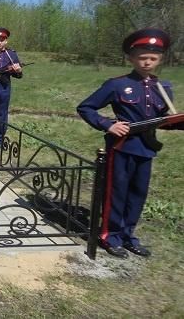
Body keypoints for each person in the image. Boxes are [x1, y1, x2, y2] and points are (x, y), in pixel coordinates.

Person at [77, 28, 182, 259]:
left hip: (147, 148)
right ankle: (110, 236)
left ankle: (128, 236)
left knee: (137, 194)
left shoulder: (163, 89)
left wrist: (178, 122)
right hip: (122, 147)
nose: (147, 62)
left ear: (160, 59)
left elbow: (163, 121)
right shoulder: (117, 85)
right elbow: (86, 107)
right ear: (131, 58)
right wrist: (108, 125)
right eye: (142, 57)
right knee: (117, 192)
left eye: (152, 58)